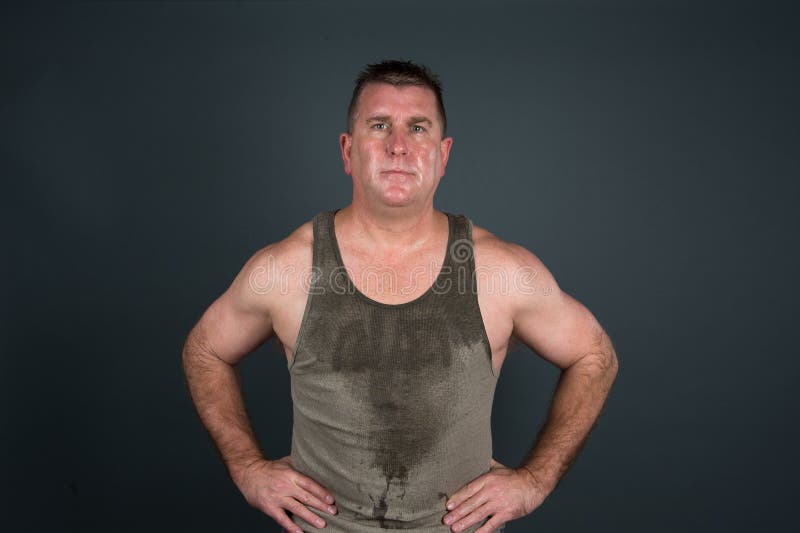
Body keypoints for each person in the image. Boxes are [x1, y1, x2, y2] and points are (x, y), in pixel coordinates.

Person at [182, 59, 619, 533]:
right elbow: (204, 351)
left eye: (417, 128)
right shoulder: (288, 268)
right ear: (347, 151)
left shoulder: (500, 271)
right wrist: (247, 469)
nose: (398, 147)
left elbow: (595, 356)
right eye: (379, 126)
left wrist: (534, 480)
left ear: (443, 154)